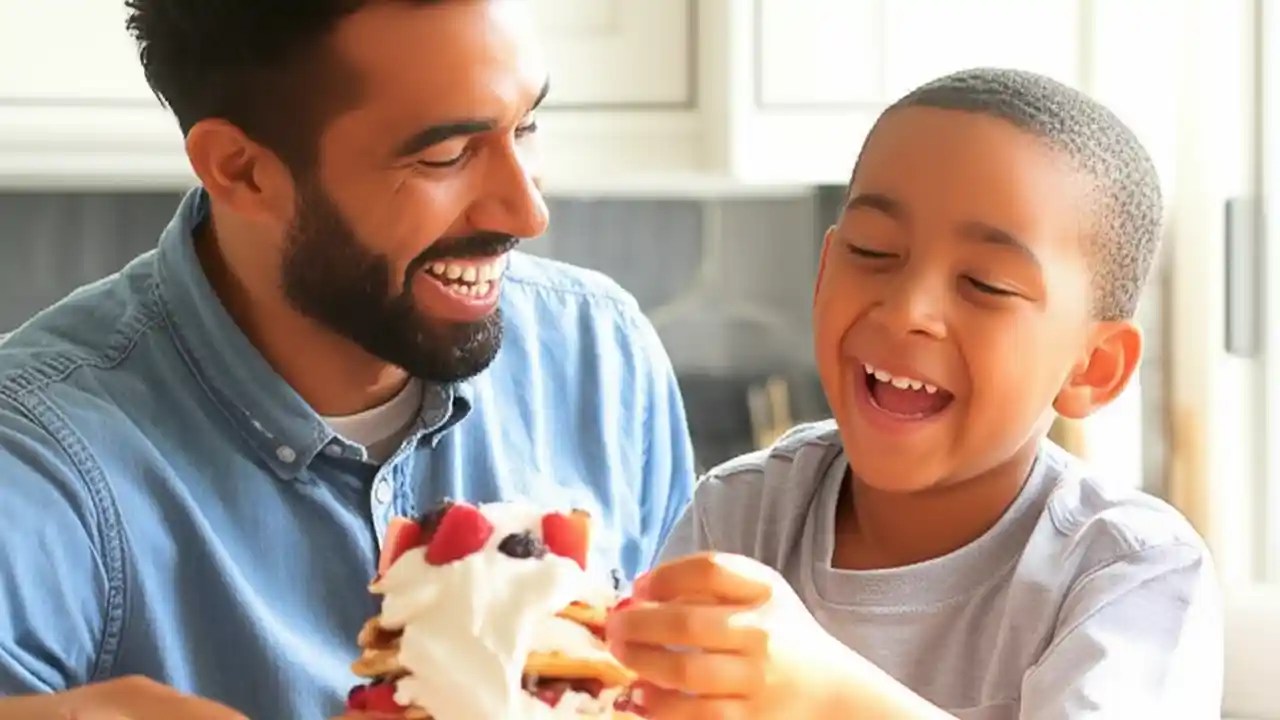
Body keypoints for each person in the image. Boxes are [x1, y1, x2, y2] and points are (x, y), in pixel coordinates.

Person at [0, 1, 695, 718]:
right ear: (243, 171)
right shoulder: (41, 456)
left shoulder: (600, 357)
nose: (526, 212)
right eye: (444, 157)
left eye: (527, 127)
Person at [607, 68, 1223, 719]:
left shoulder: (1130, 570)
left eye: (985, 284)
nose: (907, 310)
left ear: (1093, 367)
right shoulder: (742, 514)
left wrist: (824, 698)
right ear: (823, 272)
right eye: (873, 251)